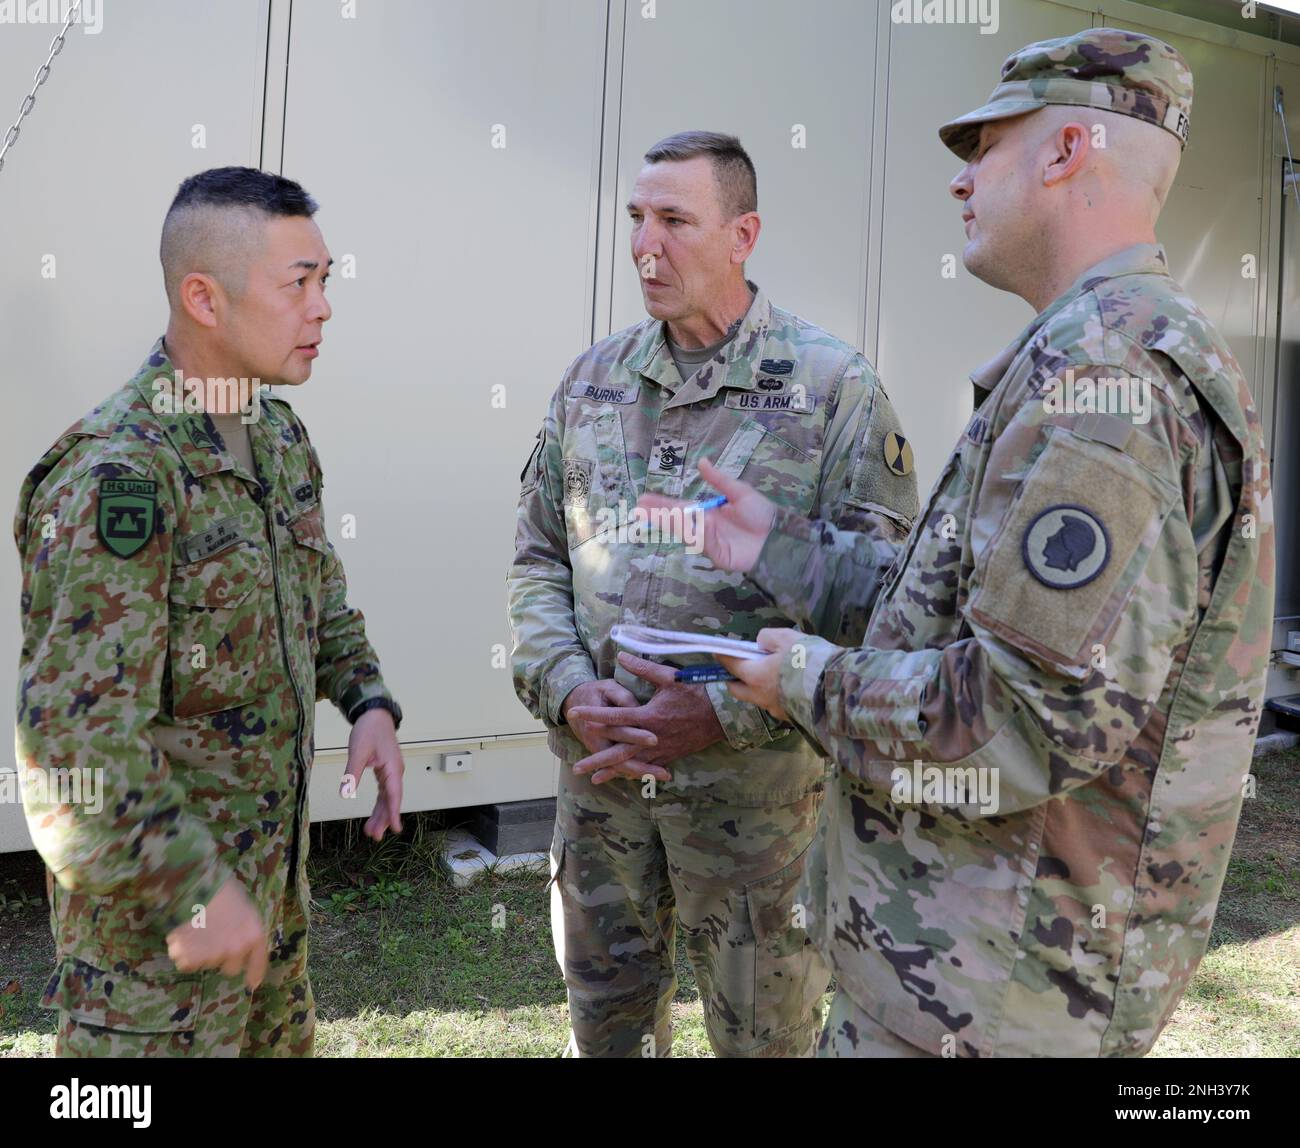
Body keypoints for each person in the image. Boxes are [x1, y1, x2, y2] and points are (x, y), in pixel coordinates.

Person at [641, 31, 1275, 1057]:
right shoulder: (1083, 356)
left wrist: (801, 677)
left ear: (1066, 151)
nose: (957, 179)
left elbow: (1021, 720)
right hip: (962, 981)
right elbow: (951, 607)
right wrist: (780, 550)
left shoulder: (1107, 384)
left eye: (983, 146)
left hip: (999, 1002)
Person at [508, 131, 919, 1057]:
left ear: (744, 234)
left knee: (764, 1039)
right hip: (601, 786)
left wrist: (727, 715)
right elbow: (538, 558)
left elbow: (888, 613)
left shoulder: (833, 391)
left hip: (757, 816)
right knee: (607, 1029)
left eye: (675, 221)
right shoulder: (591, 384)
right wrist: (569, 688)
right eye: (637, 219)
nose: (647, 245)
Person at [14, 166, 405, 1057]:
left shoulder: (275, 437)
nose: (323, 307)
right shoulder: (121, 478)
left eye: (325, 279)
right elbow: (73, 752)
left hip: (266, 934)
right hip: (153, 976)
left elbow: (319, 599)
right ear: (204, 298)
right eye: (297, 283)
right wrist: (198, 890)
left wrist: (369, 702)